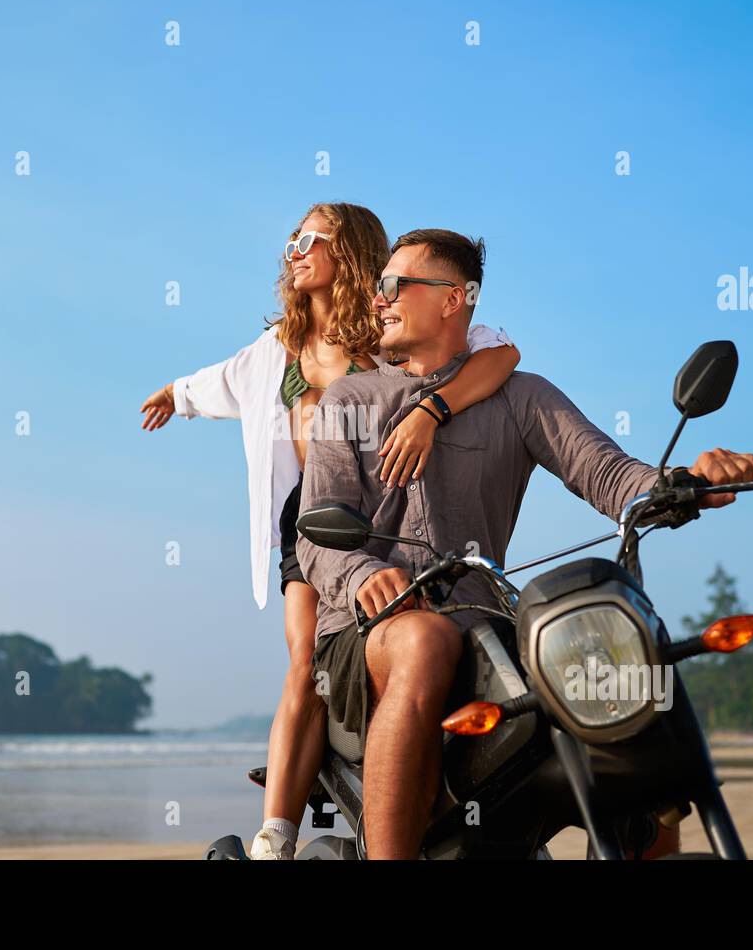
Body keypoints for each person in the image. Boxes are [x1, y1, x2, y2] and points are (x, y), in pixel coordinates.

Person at [297, 228, 753, 859]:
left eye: (394, 284)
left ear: (453, 299)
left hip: (485, 620)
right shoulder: (349, 400)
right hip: (372, 629)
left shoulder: (521, 396)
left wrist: (684, 482)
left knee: (622, 671)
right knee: (426, 636)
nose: (378, 298)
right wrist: (360, 576)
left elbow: (607, 474)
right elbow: (317, 538)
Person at [138, 205, 522, 859]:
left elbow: (500, 356)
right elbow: (219, 383)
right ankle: (275, 835)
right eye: (291, 238)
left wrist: (433, 407)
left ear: (348, 250)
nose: (295, 248)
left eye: (311, 238)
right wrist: (176, 393)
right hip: (312, 526)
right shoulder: (275, 350)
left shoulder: (386, 330)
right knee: (306, 666)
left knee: (431, 644)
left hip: (392, 521)